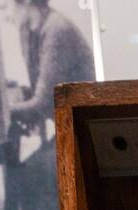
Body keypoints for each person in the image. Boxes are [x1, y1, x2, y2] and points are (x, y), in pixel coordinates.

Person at [9, 0, 95, 132]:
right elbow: (40, 90)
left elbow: (43, 103)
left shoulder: (56, 29)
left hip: (87, 126)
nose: (4, 16)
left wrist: (3, 111)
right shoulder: (27, 31)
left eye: (3, 7)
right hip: (68, 123)